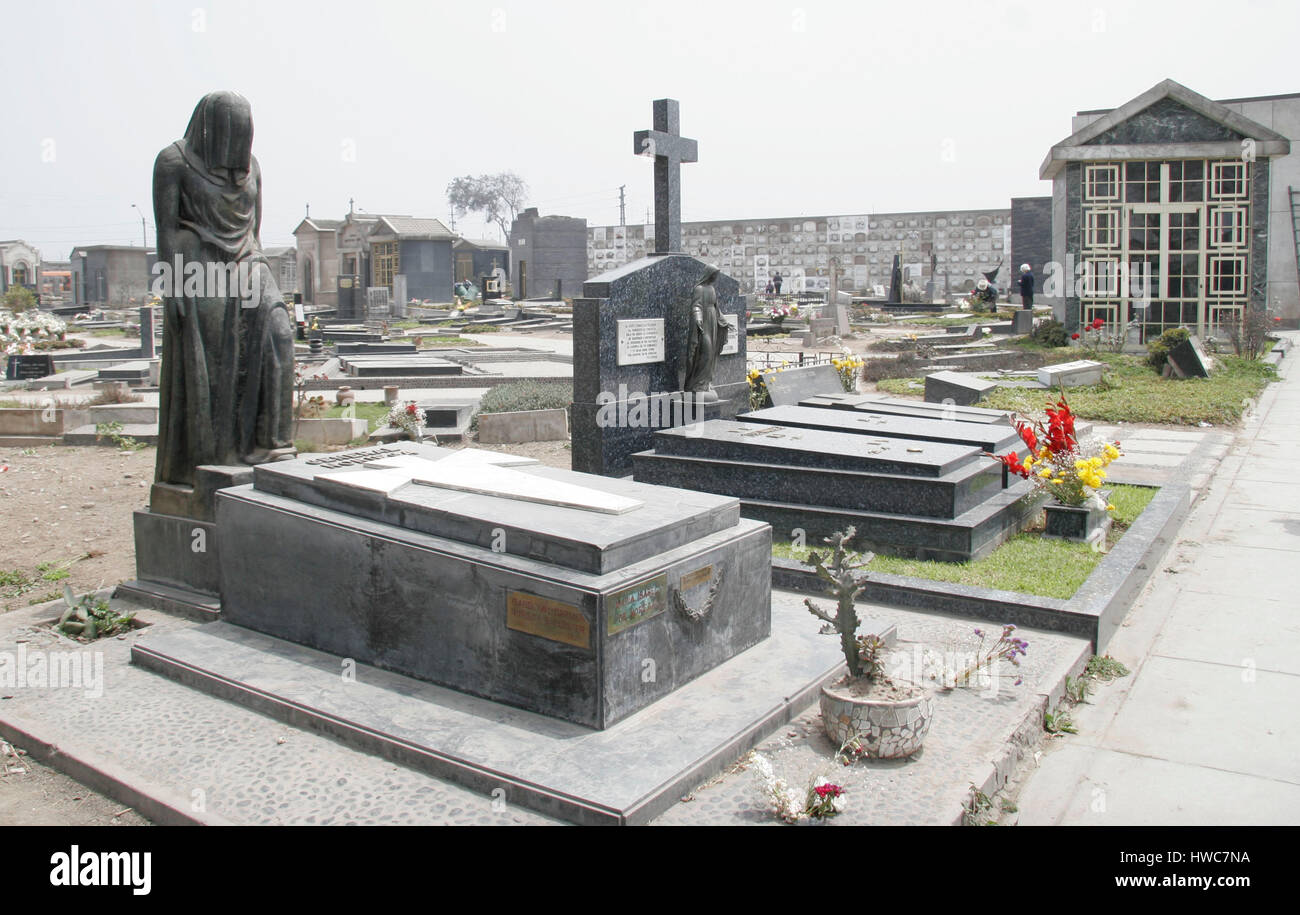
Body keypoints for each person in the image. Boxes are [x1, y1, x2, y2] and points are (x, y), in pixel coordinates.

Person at [153, 91, 296, 486]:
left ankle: (274, 442)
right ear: (211, 129)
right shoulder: (172, 162)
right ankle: (218, 453)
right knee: (217, 360)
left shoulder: (253, 167)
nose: (238, 147)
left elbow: (255, 229)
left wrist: (259, 268)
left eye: (244, 137)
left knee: (280, 333)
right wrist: (174, 287)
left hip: (247, 259)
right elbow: (166, 228)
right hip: (199, 264)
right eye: (231, 136)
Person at [681, 265, 728, 401]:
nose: (715, 277)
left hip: (713, 323)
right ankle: (696, 385)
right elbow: (696, 305)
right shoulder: (699, 289)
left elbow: (716, 307)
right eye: (714, 274)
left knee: (712, 353)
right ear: (709, 274)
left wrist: (723, 320)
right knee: (705, 353)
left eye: (716, 275)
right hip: (704, 323)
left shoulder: (711, 289)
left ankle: (706, 383)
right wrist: (698, 317)